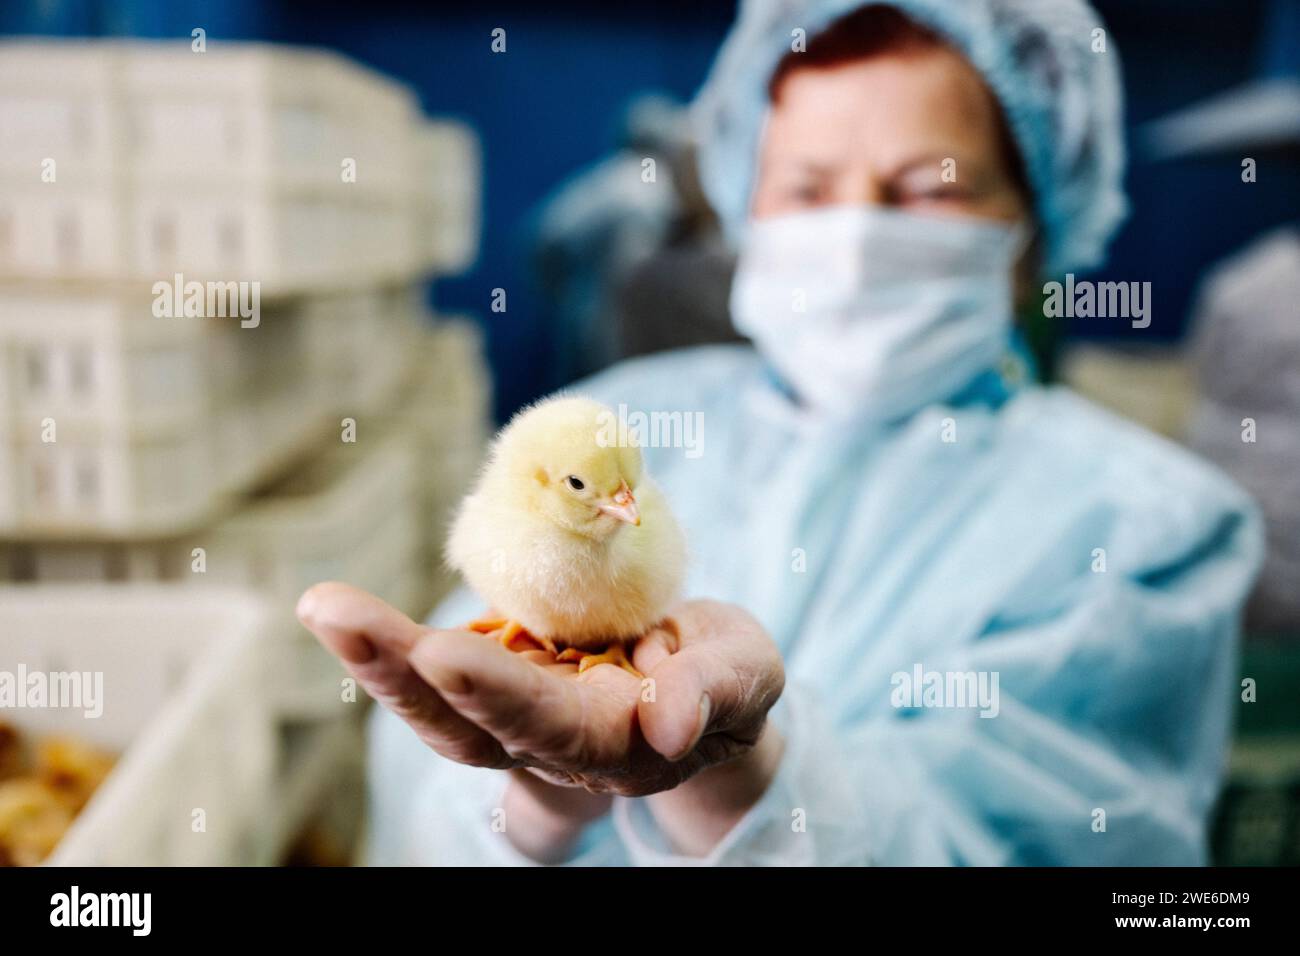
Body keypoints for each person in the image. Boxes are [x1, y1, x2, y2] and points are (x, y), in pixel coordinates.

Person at [297, 0, 1263, 865]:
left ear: (1035, 231)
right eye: (805, 188)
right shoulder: (621, 423)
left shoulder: (1144, 530)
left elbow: (1027, 840)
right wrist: (534, 808)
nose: (853, 234)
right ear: (742, 205)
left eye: (929, 188)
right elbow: (435, 776)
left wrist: (738, 782)